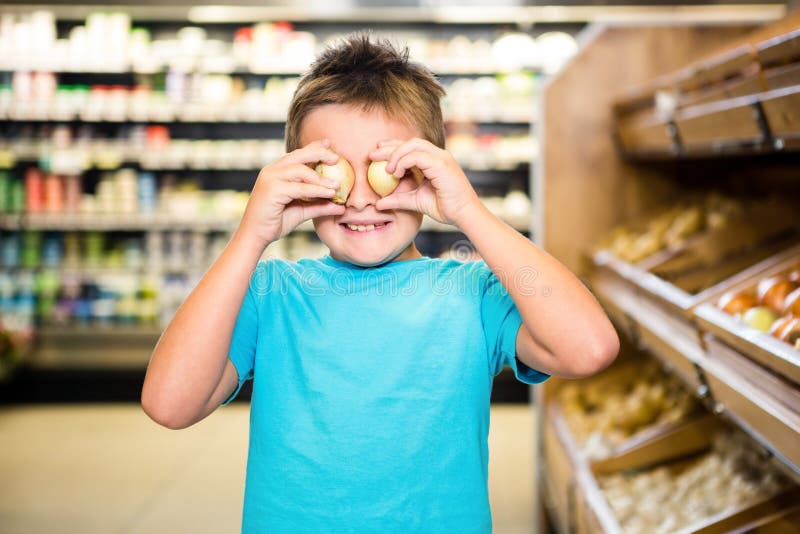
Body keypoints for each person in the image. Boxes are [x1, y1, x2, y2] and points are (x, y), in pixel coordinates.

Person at [141, 33, 619, 533]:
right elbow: (170, 405)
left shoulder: (473, 294)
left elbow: (589, 348)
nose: (361, 199)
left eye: (385, 168)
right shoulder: (270, 292)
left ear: (429, 169)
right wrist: (249, 238)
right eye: (334, 169)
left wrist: (469, 213)